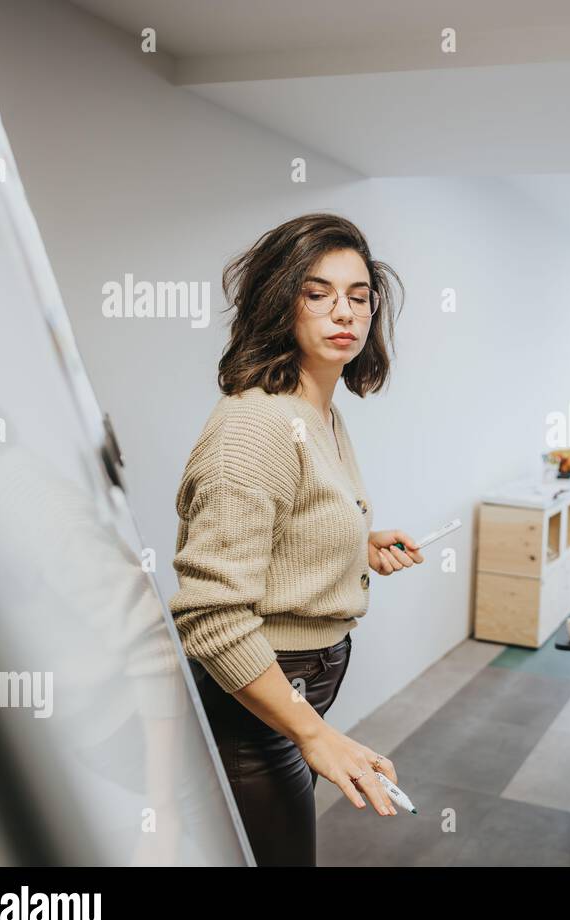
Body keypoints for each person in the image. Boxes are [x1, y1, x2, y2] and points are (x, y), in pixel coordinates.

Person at [170, 214, 424, 865]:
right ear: (279, 300)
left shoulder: (319, 412)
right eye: (317, 293)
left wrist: (356, 546)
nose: (345, 311)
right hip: (259, 696)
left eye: (359, 295)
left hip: (303, 685)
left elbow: (283, 533)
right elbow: (212, 613)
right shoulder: (255, 426)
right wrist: (315, 736)